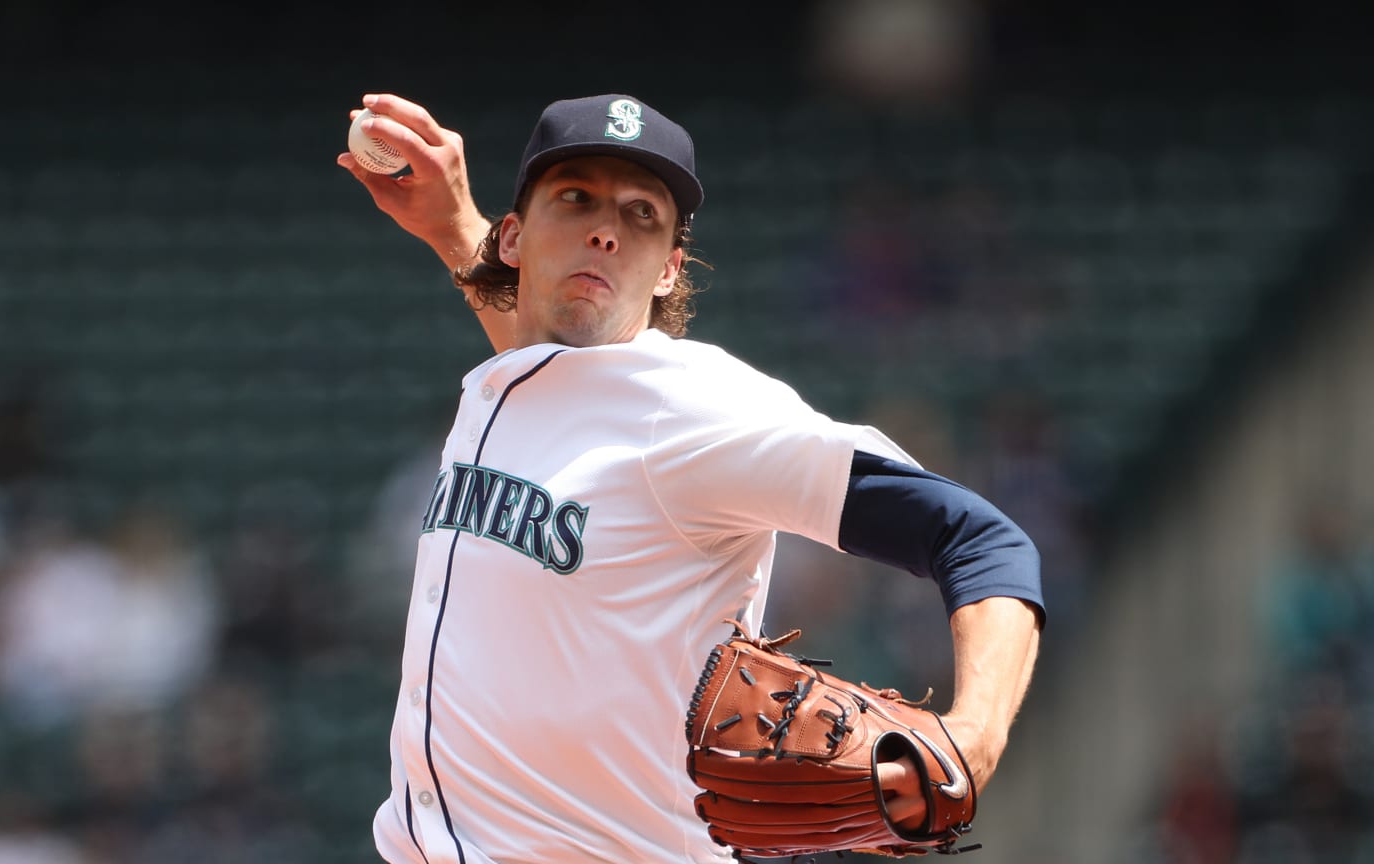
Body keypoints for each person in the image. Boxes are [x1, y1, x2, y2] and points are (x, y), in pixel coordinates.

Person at [340, 92, 1044, 864]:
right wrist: (451, 228)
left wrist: (974, 736)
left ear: (671, 269)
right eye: (575, 199)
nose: (605, 230)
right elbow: (551, 350)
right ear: (513, 236)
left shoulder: (694, 409)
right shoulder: (526, 379)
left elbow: (978, 537)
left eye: (643, 215)